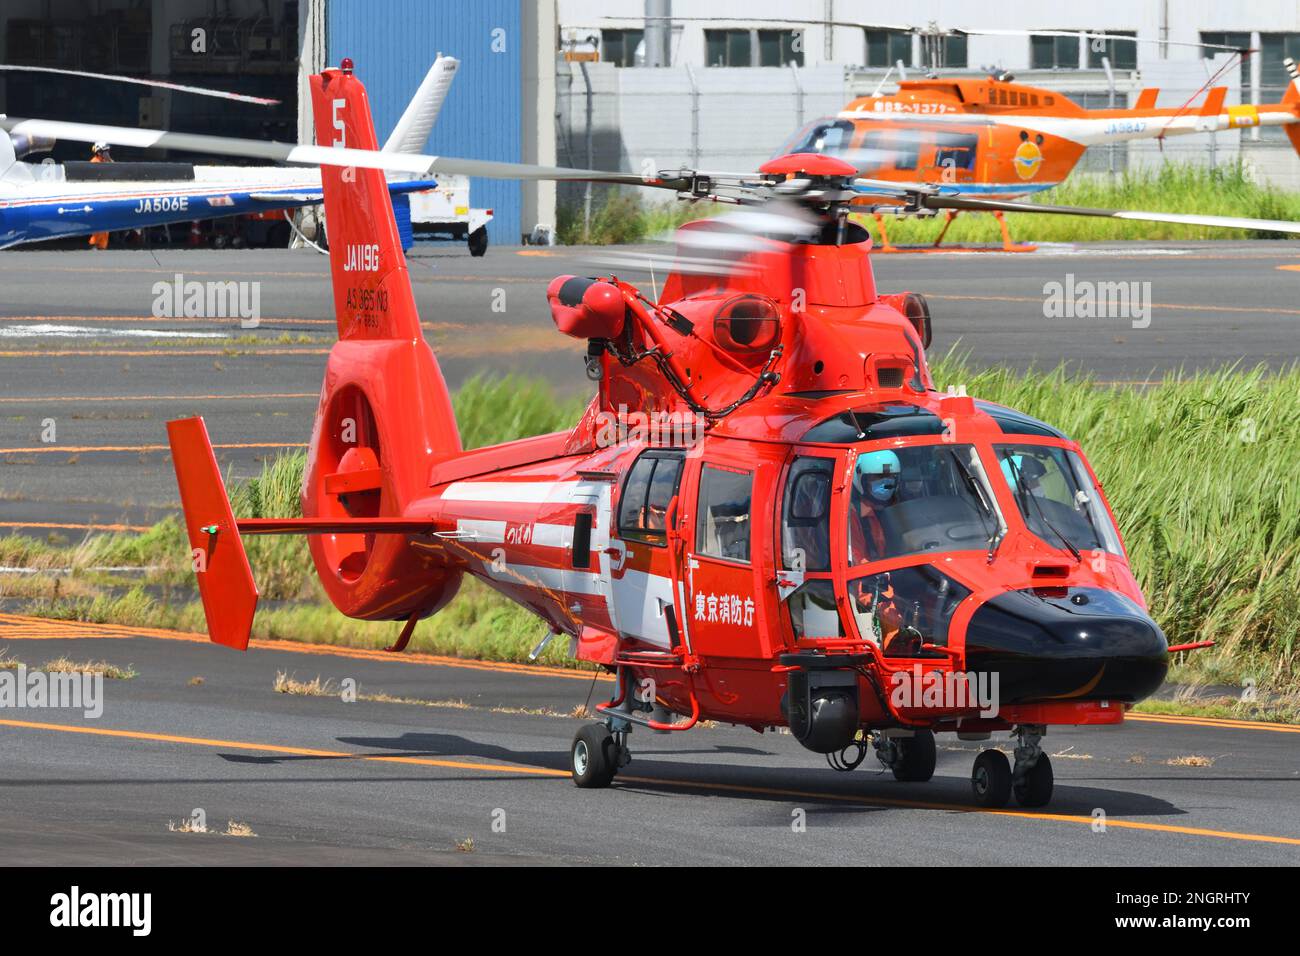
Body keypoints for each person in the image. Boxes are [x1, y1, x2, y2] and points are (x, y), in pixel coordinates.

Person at [847, 449, 900, 565]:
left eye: (891, 476)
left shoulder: (901, 508)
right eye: (878, 476)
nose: (886, 482)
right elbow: (858, 560)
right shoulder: (853, 514)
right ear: (862, 480)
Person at [88, 143, 113, 250]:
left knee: (106, 225)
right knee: (99, 224)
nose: (107, 154)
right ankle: (95, 244)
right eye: (105, 152)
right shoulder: (94, 163)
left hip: (106, 198)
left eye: (108, 151)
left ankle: (101, 247)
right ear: (99, 153)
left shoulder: (107, 162)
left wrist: (109, 161)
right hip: (96, 199)